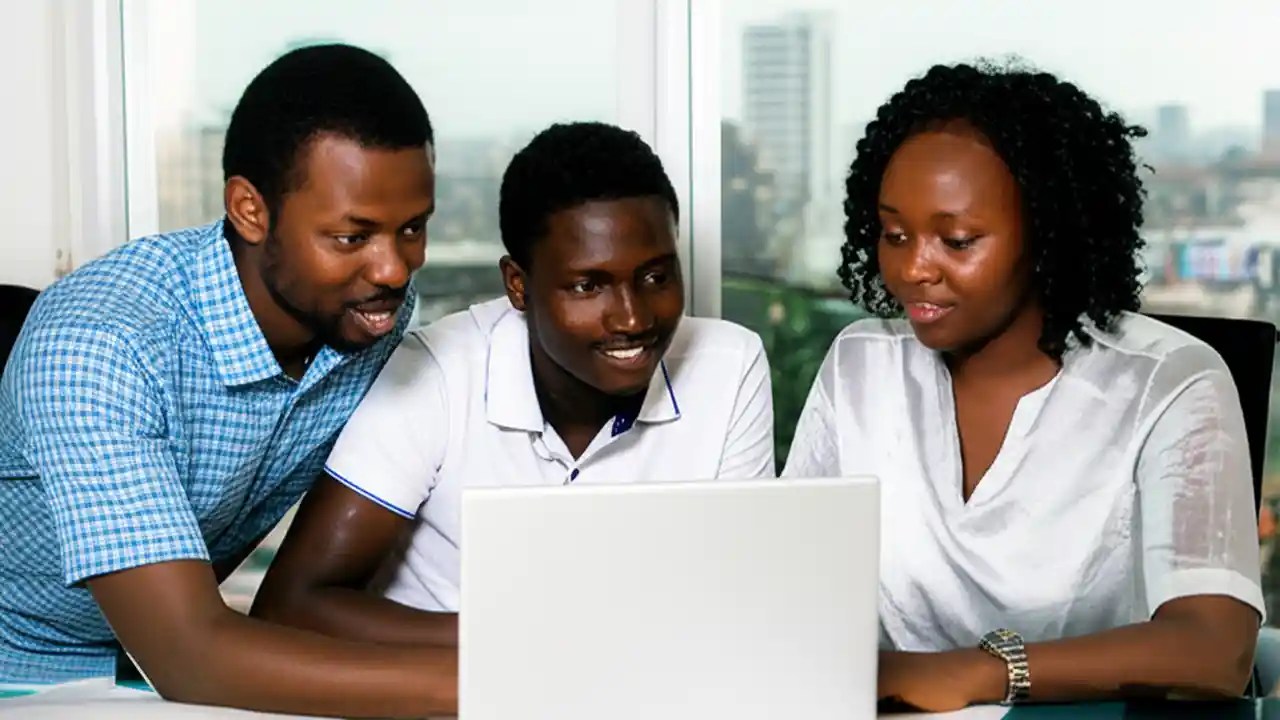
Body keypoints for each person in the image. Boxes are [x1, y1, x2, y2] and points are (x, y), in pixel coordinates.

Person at [783, 62, 1263, 711]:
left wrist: (981, 672)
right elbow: (782, 587)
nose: (913, 268)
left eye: (956, 241)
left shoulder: (1168, 381)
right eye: (895, 234)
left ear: (1048, 235)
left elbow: (1216, 651)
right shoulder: (862, 364)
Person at [0, 44, 456, 717]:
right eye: (351, 236)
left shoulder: (363, 310)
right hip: (32, 677)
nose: (393, 269)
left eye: (412, 228)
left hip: (183, 669)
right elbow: (190, 655)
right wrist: (500, 681)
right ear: (249, 209)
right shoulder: (102, 342)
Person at [250, 122, 775, 658]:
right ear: (517, 286)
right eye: (588, 286)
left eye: (656, 277)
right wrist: (528, 643)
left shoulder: (728, 366)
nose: (633, 317)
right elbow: (291, 605)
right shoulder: (439, 371)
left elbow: (739, 597)